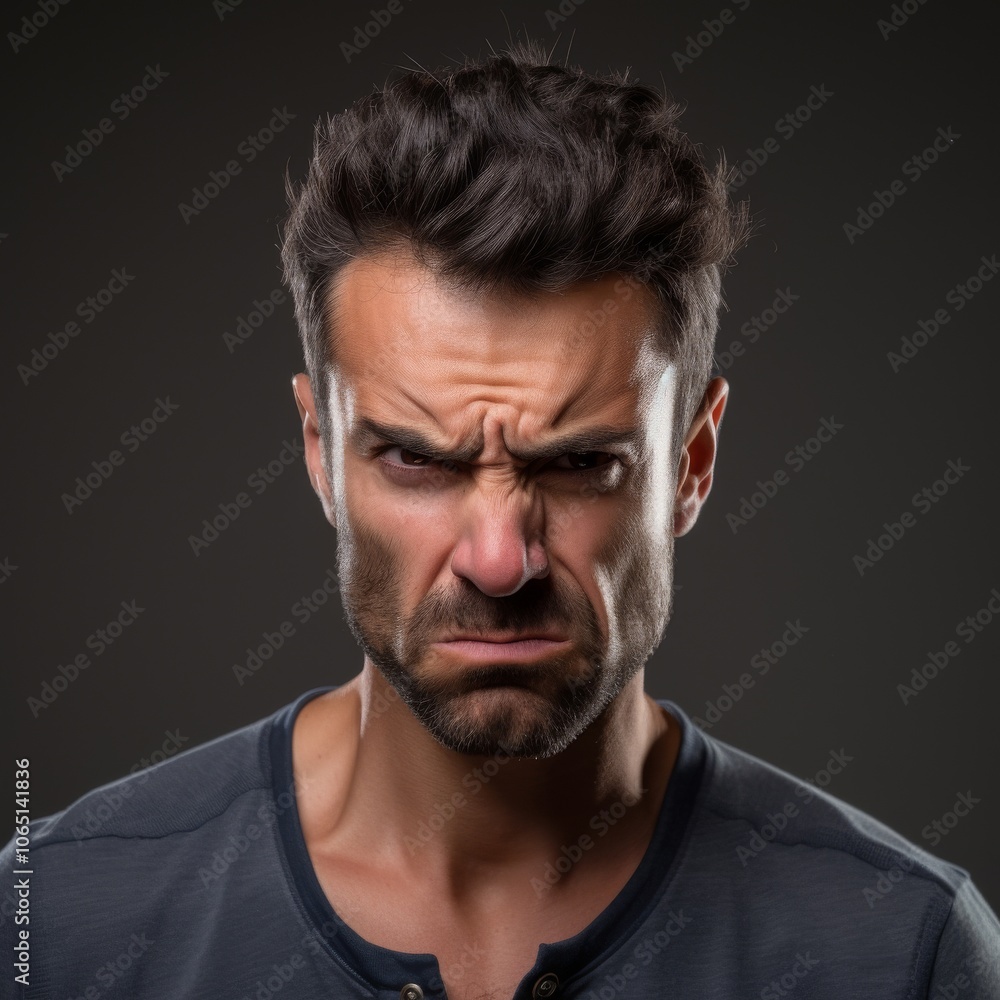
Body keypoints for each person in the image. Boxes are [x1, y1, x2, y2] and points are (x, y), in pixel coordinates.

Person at [4, 38, 999, 1000]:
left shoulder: (897, 948)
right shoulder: (54, 924)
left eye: (577, 464)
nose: (496, 560)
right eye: (416, 458)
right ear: (319, 448)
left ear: (691, 461)